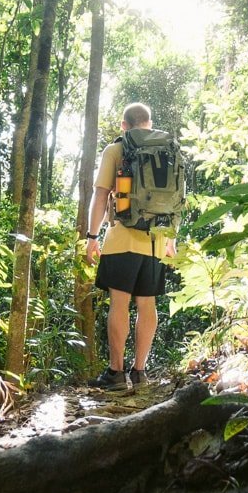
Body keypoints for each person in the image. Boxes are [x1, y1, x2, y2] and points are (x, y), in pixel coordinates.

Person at [85, 101, 176, 391]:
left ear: (124, 125)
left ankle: (116, 373)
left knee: (120, 303)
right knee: (147, 304)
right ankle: (140, 372)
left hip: (122, 236)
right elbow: (176, 198)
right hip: (157, 239)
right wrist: (171, 239)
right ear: (149, 123)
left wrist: (91, 236)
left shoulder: (116, 149)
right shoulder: (168, 150)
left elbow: (100, 196)